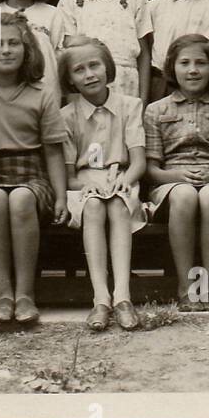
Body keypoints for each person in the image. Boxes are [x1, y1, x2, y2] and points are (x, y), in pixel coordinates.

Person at [0, 13, 67, 326]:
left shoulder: (41, 94)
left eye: (13, 43)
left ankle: (24, 293)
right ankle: (3, 293)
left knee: (21, 198)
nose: (5, 50)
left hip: (32, 172)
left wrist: (60, 196)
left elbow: (53, 151)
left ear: (27, 50)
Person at [144, 33, 209, 310]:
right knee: (184, 195)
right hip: (171, 183)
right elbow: (152, 168)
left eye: (201, 63)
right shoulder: (155, 111)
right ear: (172, 68)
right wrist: (177, 177)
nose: (193, 70)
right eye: (185, 63)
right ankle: (186, 286)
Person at [59, 36, 146, 332]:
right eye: (79, 70)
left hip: (122, 177)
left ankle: (123, 296)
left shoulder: (130, 106)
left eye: (95, 65)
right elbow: (69, 173)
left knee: (120, 205)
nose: (90, 74)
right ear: (69, 79)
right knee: (94, 205)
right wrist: (84, 188)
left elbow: (138, 162)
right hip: (84, 185)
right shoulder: (67, 116)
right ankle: (101, 299)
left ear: (108, 67)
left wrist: (125, 181)